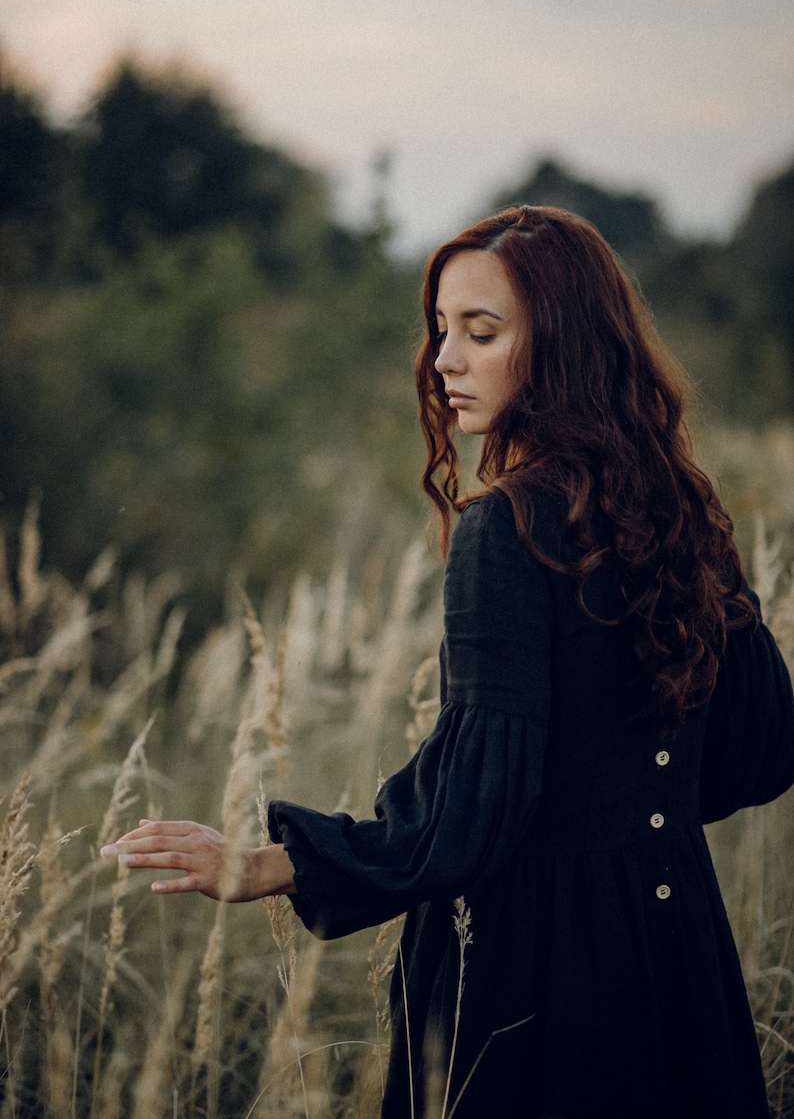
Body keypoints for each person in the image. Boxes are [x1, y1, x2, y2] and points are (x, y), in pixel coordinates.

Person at [102, 206, 794, 1118]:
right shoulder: (681, 512)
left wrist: (277, 863)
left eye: (483, 332)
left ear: (565, 346)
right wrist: (622, 816)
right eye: (440, 332)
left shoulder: (505, 530)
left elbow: (477, 804)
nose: (444, 362)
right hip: (681, 949)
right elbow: (763, 749)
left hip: (536, 968)